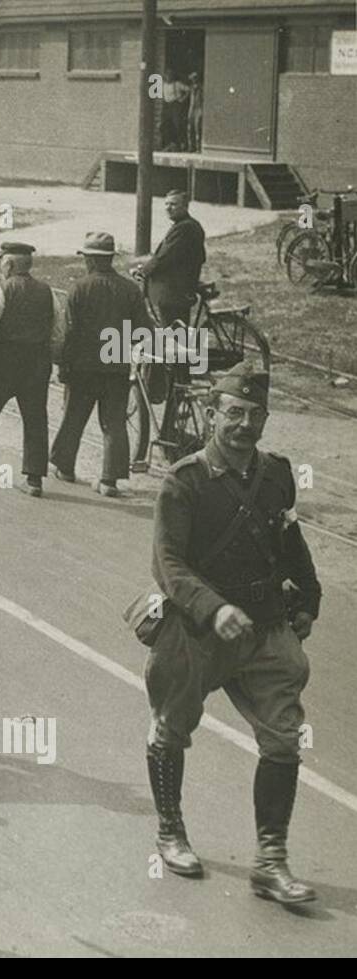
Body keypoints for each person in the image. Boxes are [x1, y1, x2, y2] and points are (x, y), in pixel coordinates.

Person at [142, 363, 321, 907]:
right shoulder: (186, 480)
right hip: (198, 629)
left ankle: (270, 861)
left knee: (284, 739)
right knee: (171, 728)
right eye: (233, 413)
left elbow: (290, 541)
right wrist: (212, 608)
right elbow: (167, 564)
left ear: (265, 419)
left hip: (264, 627)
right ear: (213, 413)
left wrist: (309, 599)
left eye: (254, 414)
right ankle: (170, 830)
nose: (243, 424)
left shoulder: (276, 475)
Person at [50, 232, 150, 497]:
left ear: (92, 260)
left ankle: (65, 467)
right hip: (116, 364)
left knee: (74, 417)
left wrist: (62, 363)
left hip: (82, 367)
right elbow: (144, 331)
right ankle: (109, 481)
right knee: (114, 422)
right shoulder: (130, 289)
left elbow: (67, 333)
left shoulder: (79, 289)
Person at [0, 241, 64, 497]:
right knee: (35, 418)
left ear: (8, 265)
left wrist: (0, 341)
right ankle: (33, 478)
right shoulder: (47, 293)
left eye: (2, 263)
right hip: (36, 365)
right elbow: (59, 333)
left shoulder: (1, 291)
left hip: (2, 363)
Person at [137, 189, 205, 328]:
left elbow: (163, 258)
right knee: (178, 332)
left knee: (172, 335)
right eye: (166, 204)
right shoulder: (191, 224)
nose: (168, 208)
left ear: (185, 206)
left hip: (174, 291)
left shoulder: (183, 228)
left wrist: (143, 271)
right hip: (183, 287)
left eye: (173, 204)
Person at [187, 72, 203, 153]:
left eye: (194, 78)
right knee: (190, 128)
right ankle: (191, 147)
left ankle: (198, 147)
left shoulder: (201, 88)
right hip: (191, 109)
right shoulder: (191, 88)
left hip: (198, 108)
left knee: (197, 128)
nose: (193, 80)